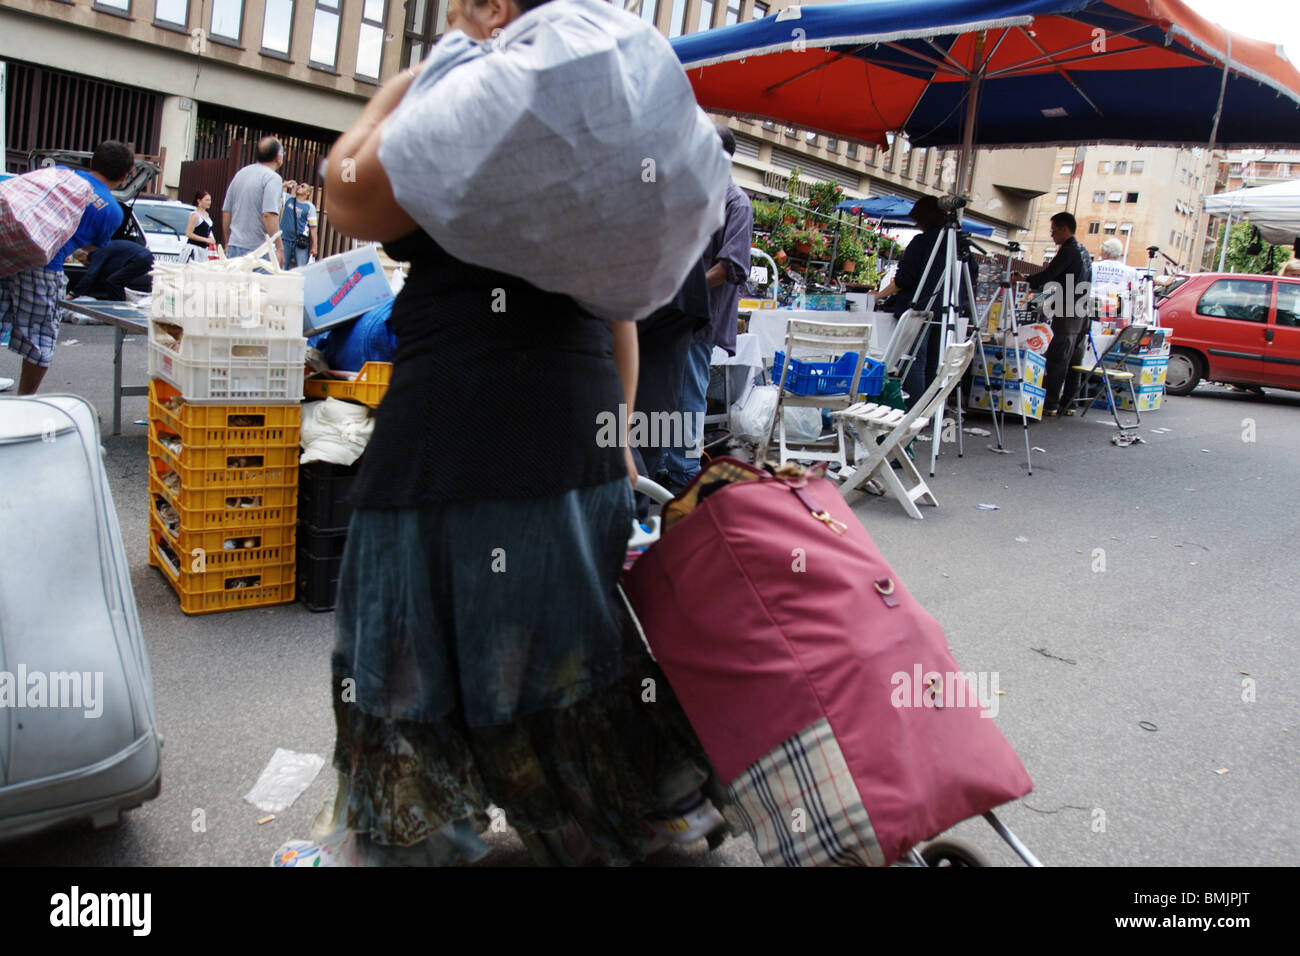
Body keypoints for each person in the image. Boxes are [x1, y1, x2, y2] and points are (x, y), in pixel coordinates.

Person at [310, 0, 728, 866]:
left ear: (499, 14)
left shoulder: (467, 109)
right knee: (565, 660)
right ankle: (629, 829)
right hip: (577, 434)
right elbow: (619, 314)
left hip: (454, 433)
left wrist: (406, 82)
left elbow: (347, 190)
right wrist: (611, 445)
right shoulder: (598, 136)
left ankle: (423, 846)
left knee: (403, 664)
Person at [0, 140, 132, 394]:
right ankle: (25, 400)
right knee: (40, 337)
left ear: (91, 162)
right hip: (45, 267)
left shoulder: (60, 174)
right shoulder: (112, 211)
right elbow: (92, 246)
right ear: (125, 176)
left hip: (7, 250)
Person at [663, 124, 752, 491]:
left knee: (688, 394)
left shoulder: (736, 202)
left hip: (699, 317)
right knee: (666, 393)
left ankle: (684, 470)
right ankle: (667, 463)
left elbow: (731, 265)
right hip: (672, 314)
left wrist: (683, 288)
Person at [878, 196, 972, 409]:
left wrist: (878, 296)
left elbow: (904, 279)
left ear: (923, 218)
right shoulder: (958, 242)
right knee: (938, 362)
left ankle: (914, 410)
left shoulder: (922, 242)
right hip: (948, 308)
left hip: (921, 307)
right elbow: (970, 275)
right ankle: (930, 410)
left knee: (914, 360)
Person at [1014, 212, 1092, 416]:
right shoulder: (1083, 251)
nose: (1052, 236)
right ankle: (1069, 404)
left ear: (1064, 229)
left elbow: (1051, 273)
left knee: (1059, 357)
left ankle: (1050, 403)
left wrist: (1026, 280)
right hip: (1082, 310)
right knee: (1075, 359)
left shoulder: (1069, 250)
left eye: (1053, 230)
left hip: (1068, 309)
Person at [222, 136, 286, 265]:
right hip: (259, 250)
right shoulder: (272, 178)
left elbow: (226, 212)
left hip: (234, 247)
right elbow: (268, 214)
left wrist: (228, 241)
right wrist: (279, 248)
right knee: (260, 285)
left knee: (235, 285)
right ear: (278, 157)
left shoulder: (241, 173)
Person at [68, 240, 153, 301]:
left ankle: (119, 309)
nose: (84, 264)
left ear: (85, 253)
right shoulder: (101, 249)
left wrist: (73, 294)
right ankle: (118, 305)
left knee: (113, 282)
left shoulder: (97, 252)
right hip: (144, 257)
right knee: (113, 280)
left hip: (141, 258)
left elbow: (91, 275)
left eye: (82, 261)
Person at [1090, 237, 1139, 324]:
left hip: (1093, 309)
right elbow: (1137, 291)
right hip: (1117, 310)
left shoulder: (1093, 266)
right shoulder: (1130, 271)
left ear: (1106, 253)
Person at [279, 182, 318, 269]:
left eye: (303, 186)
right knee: (282, 267)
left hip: (300, 242)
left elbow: (313, 228)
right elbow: (275, 189)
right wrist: (286, 184)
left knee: (301, 269)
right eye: (299, 185)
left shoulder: (310, 207)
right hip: (284, 240)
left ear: (308, 192)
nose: (299, 187)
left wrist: (314, 246)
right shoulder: (288, 198)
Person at [182, 190, 217, 263]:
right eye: (206, 200)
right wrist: (205, 240)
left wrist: (210, 238)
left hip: (204, 250)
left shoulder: (207, 215)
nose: (209, 202)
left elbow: (206, 231)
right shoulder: (195, 215)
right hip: (194, 249)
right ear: (199, 201)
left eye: (210, 200)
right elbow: (188, 233)